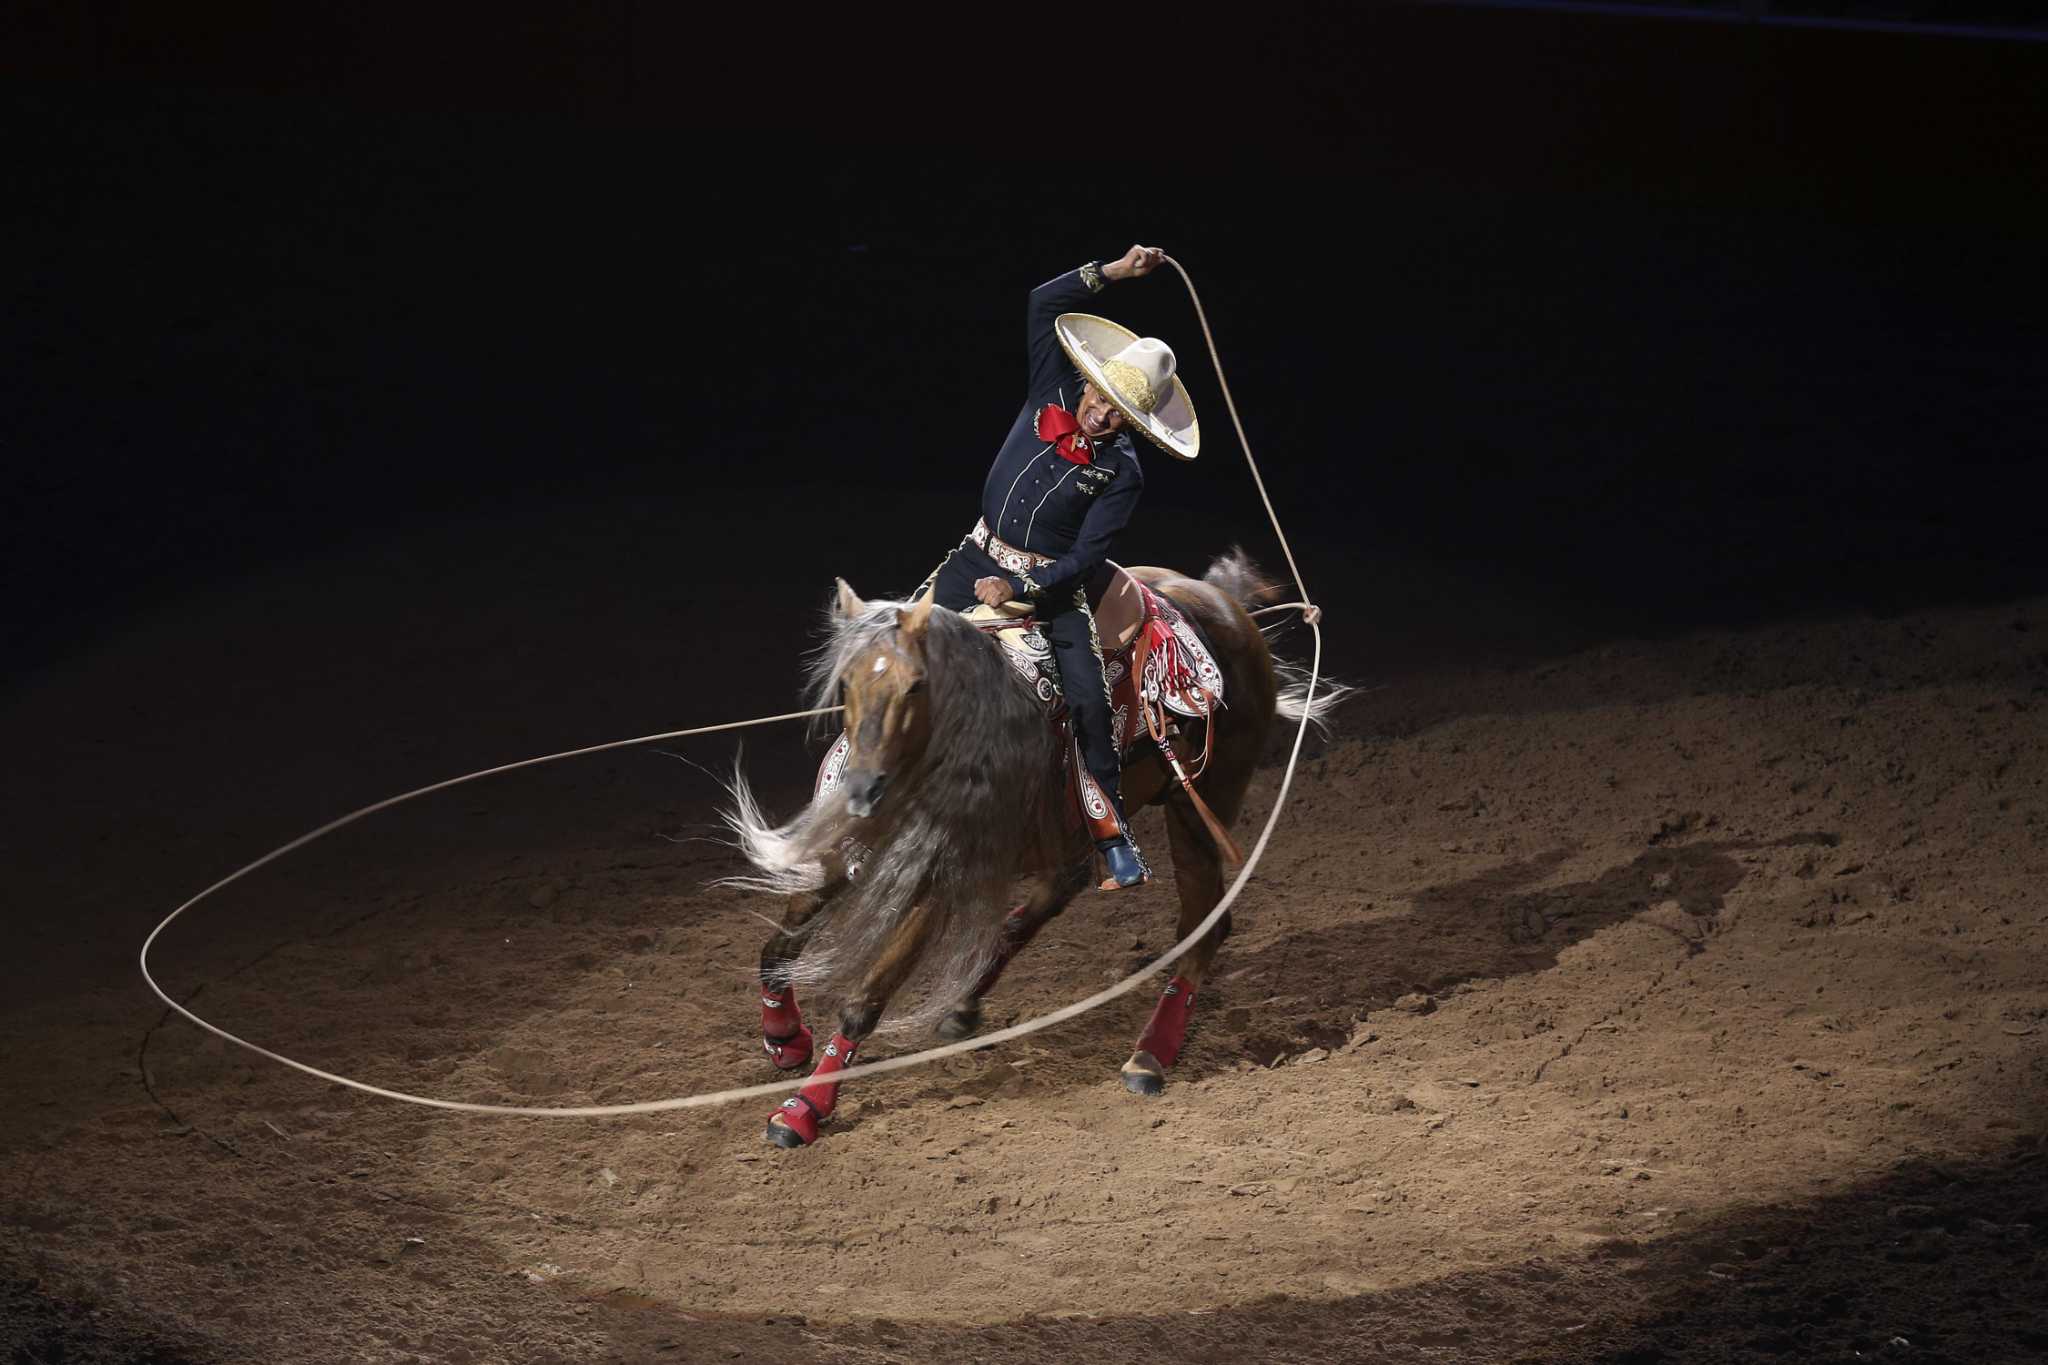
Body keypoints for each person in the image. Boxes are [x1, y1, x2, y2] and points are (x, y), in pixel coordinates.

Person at [919, 243, 1192, 889]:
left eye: (1116, 414)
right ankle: (861, 779)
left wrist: (1017, 586)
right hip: (972, 557)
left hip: (1053, 587)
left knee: (1089, 701)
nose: (1099, 414)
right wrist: (1116, 273)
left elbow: (1084, 557)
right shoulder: (1051, 385)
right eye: (1100, 398)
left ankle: (1110, 833)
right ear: (1089, 380)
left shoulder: (1122, 471)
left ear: (1134, 422)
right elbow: (1043, 301)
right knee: (895, 652)